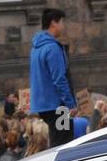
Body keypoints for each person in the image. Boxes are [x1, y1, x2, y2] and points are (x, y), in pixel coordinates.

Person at [30, 8, 76, 148]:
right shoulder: (53, 48)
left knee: (56, 142)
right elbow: (59, 79)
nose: (63, 26)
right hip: (58, 105)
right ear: (53, 23)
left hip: (43, 104)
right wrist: (70, 103)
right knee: (64, 145)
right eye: (61, 22)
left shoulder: (36, 48)